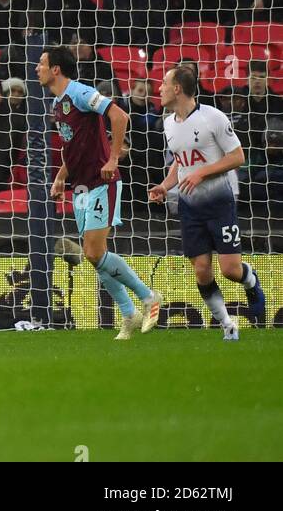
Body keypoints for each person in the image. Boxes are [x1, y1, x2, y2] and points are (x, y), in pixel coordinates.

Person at [38, 46, 162, 340]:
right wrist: (60, 177)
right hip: (79, 185)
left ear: (56, 69)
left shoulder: (81, 93)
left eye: (42, 63)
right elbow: (74, 146)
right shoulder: (58, 103)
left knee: (93, 251)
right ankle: (129, 314)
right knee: (96, 256)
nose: (37, 68)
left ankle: (148, 297)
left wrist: (113, 158)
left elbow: (119, 116)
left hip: (102, 181)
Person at [148, 66, 266, 338]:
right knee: (202, 271)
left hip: (220, 204)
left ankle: (251, 281)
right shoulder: (168, 123)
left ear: (178, 88)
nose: (160, 88)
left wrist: (202, 173)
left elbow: (237, 157)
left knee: (230, 270)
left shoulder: (212, 117)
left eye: (165, 83)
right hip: (190, 208)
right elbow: (180, 162)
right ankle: (228, 326)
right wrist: (165, 186)